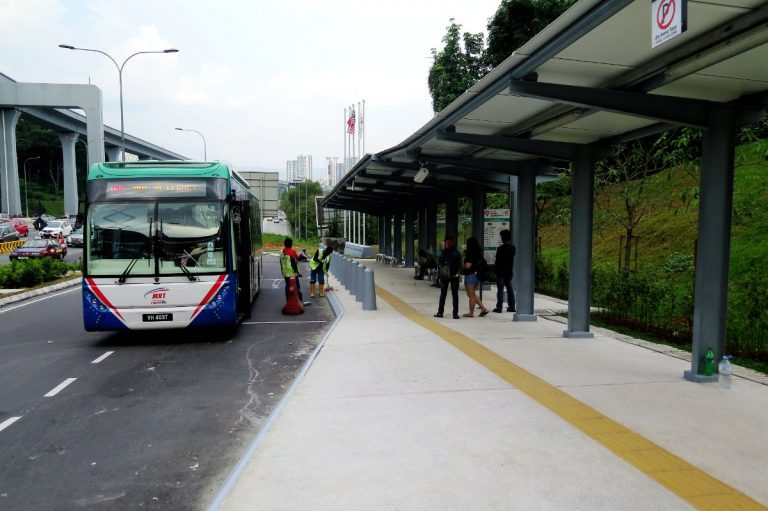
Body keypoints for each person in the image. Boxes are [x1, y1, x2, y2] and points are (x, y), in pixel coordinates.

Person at [434, 236, 462, 319]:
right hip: (445, 276)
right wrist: (438, 277)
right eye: (446, 242)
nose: (447, 244)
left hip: (454, 276)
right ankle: (440, 312)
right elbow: (439, 265)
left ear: (452, 243)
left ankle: (455, 313)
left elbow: (459, 265)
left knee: (455, 294)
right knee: (443, 294)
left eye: (449, 242)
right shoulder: (443, 253)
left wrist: (458, 274)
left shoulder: (456, 253)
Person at [462, 236, 489, 317]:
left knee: (471, 295)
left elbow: (468, 266)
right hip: (476, 276)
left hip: (470, 275)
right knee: (471, 294)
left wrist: (463, 266)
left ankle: (471, 313)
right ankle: (482, 308)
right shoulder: (478, 253)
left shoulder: (470, 253)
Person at [493, 229, 516, 313]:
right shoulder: (513, 248)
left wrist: (496, 271)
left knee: (500, 290)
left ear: (502, 238)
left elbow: (497, 262)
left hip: (500, 273)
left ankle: (499, 307)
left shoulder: (500, 249)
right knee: (510, 290)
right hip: (509, 272)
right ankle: (512, 307)